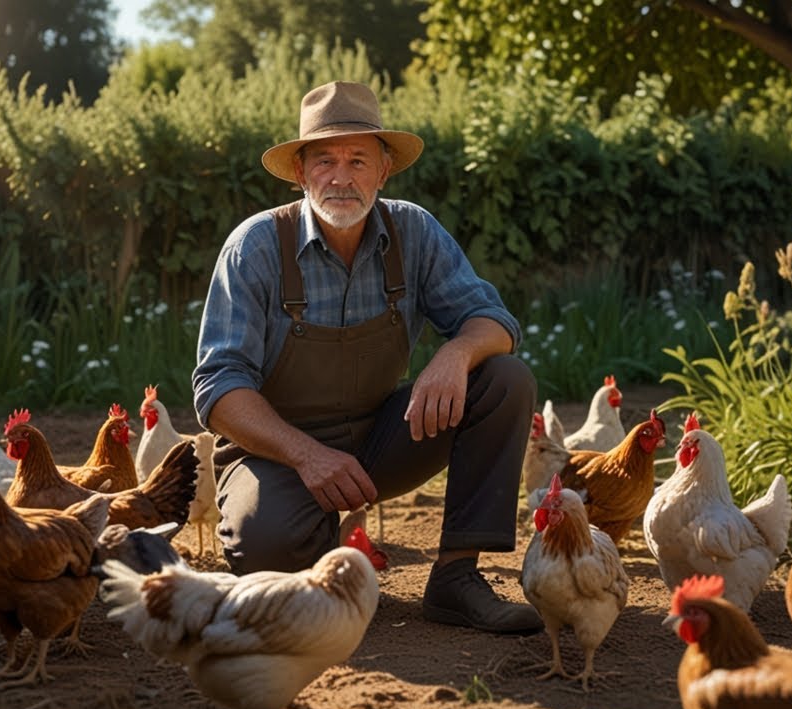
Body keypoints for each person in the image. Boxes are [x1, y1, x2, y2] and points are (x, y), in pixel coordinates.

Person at [192, 81, 542, 635]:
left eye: (358, 159)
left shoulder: (414, 231)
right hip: (276, 453)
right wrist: (308, 457)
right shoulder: (256, 247)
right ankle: (317, 537)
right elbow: (218, 387)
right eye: (325, 160)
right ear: (302, 173)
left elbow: (495, 322)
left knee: (503, 378)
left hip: (382, 439)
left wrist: (456, 351)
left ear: (384, 171)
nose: (341, 176)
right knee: (267, 545)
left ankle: (455, 580)